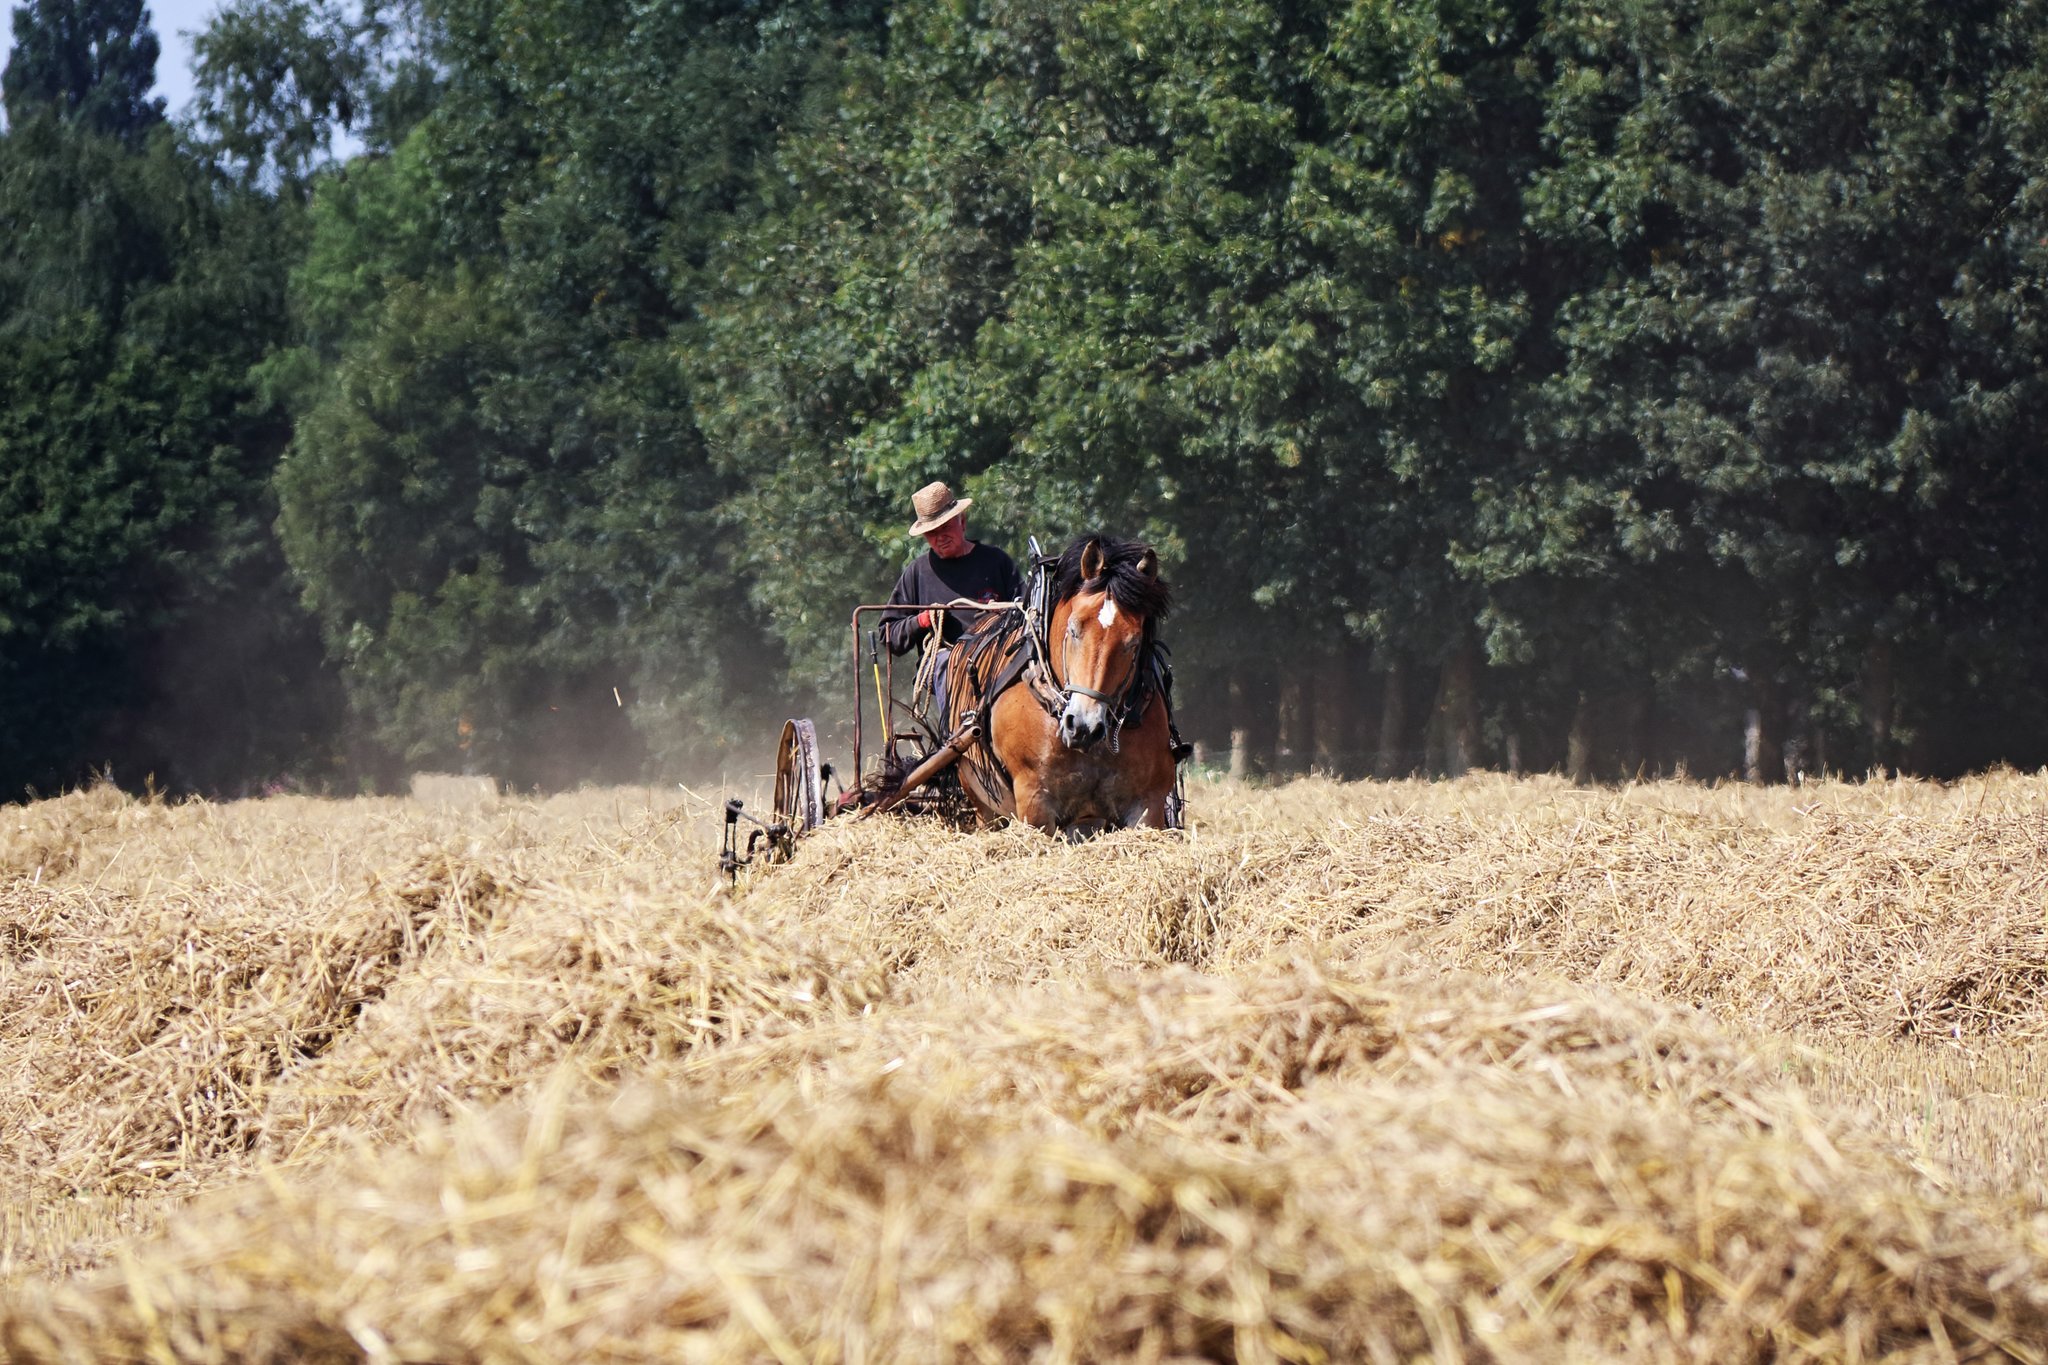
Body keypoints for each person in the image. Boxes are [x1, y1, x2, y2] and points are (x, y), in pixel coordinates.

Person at [883, 481, 1025, 722]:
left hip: (1000, 656)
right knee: (947, 662)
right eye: (932, 533)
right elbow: (889, 635)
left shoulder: (996, 561)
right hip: (947, 662)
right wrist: (922, 620)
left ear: (962, 521)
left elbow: (1026, 607)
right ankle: (958, 733)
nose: (940, 538)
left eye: (946, 527)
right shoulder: (918, 573)